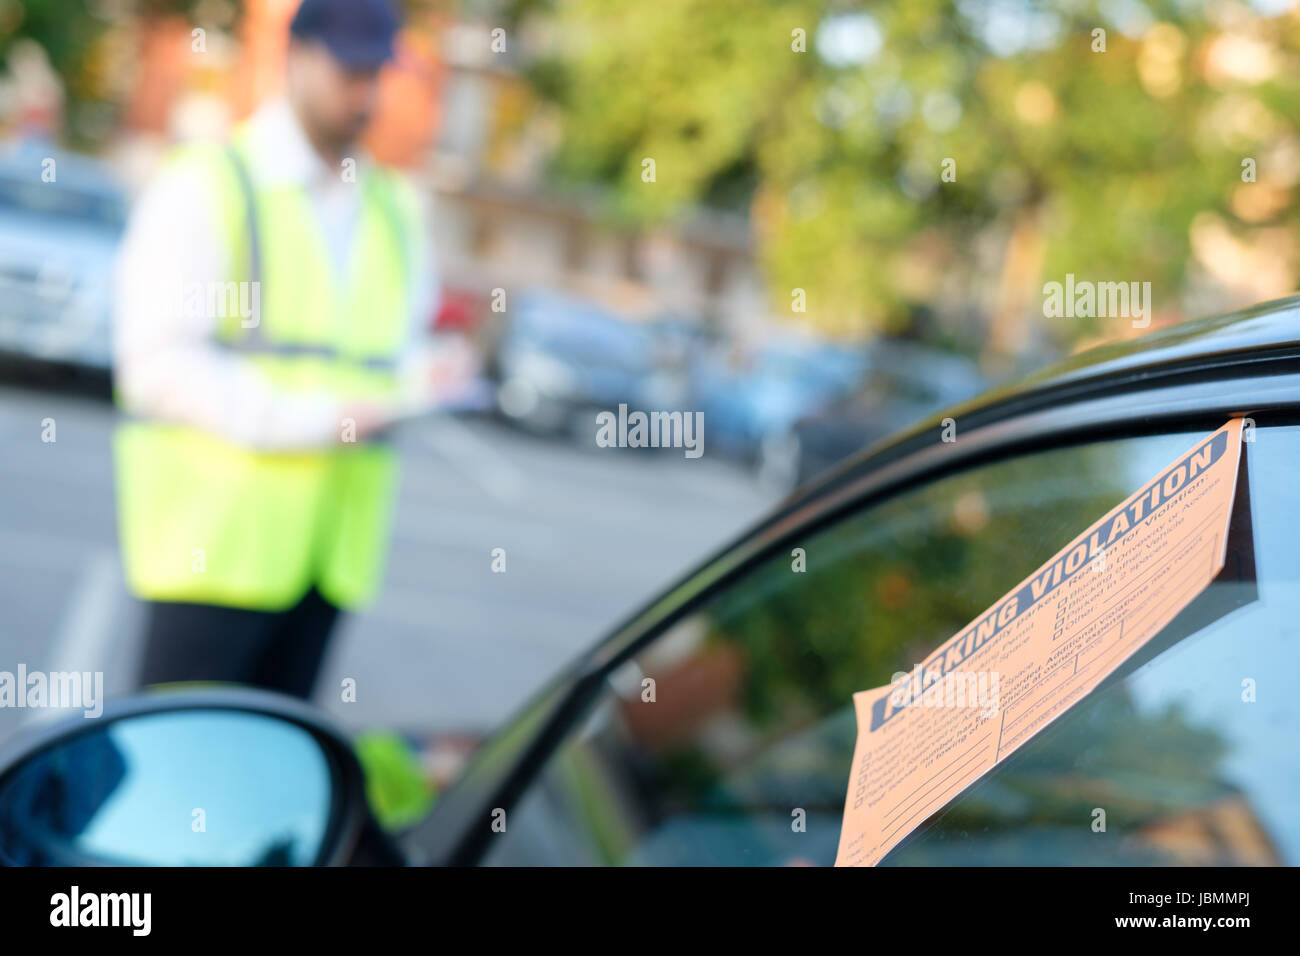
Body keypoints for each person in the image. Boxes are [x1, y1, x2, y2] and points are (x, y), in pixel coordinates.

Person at [113, 0, 469, 699]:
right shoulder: (209, 185)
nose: (367, 93)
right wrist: (322, 420)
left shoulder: (394, 210)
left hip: (327, 561)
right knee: (181, 773)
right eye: (351, 71)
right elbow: (155, 365)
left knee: (273, 776)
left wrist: (434, 372)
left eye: (378, 73)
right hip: (214, 553)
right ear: (295, 58)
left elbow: (393, 354)